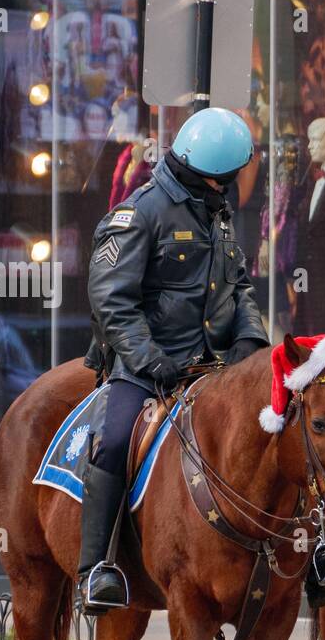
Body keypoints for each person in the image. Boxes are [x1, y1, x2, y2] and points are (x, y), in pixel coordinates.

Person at [79, 107, 269, 612]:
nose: (231, 186)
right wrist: (150, 359)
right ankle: (96, 567)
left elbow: (239, 288)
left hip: (212, 370)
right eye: (228, 177)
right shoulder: (139, 212)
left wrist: (252, 340)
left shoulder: (216, 212)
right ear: (212, 172)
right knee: (115, 440)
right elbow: (110, 300)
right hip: (144, 370)